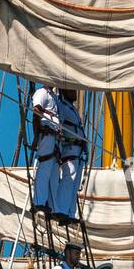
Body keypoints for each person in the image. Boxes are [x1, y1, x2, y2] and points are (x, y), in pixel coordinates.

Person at [31, 84, 87, 224]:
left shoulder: (60, 102)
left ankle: (60, 209)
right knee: (48, 169)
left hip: (61, 142)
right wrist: (36, 136)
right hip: (56, 140)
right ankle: (42, 203)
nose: (75, 92)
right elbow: (37, 111)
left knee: (56, 176)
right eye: (71, 88)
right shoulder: (47, 96)